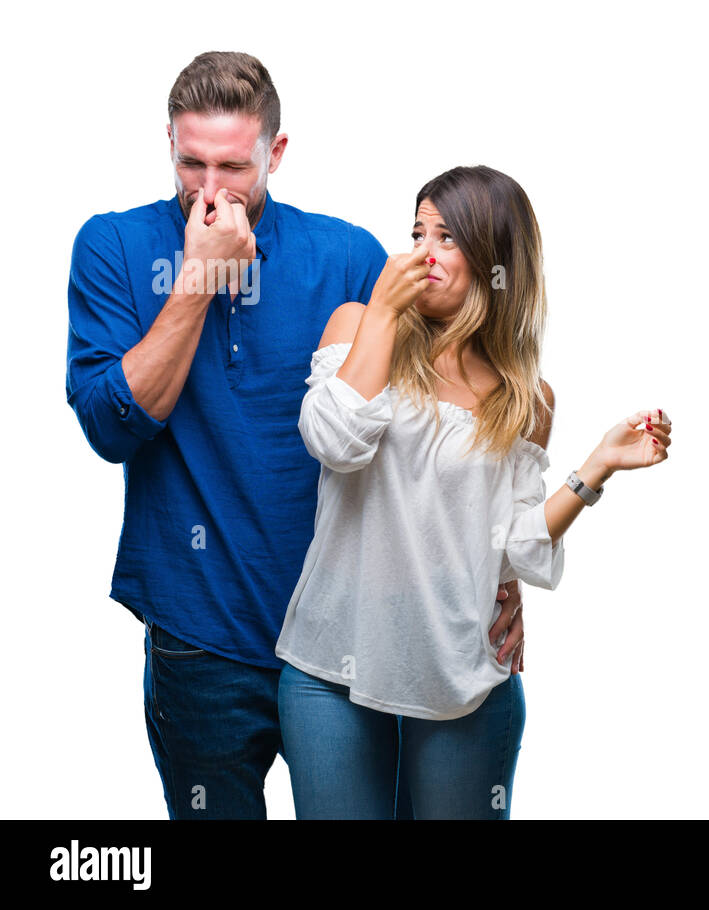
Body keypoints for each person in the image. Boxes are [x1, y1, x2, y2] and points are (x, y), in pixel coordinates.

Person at [64, 51, 524, 819]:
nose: (209, 190)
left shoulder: (346, 257)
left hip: (353, 637)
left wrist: (496, 568)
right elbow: (113, 425)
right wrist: (198, 279)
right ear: (169, 147)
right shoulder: (112, 246)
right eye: (190, 162)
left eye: (233, 166)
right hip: (200, 638)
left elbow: (439, 432)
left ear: (275, 154)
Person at [274, 165, 672, 819]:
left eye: (447, 237)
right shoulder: (357, 327)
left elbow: (513, 549)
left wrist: (595, 468)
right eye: (416, 232)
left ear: (493, 259)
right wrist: (381, 312)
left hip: (462, 673)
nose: (423, 252)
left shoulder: (527, 398)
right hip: (332, 665)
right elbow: (333, 441)